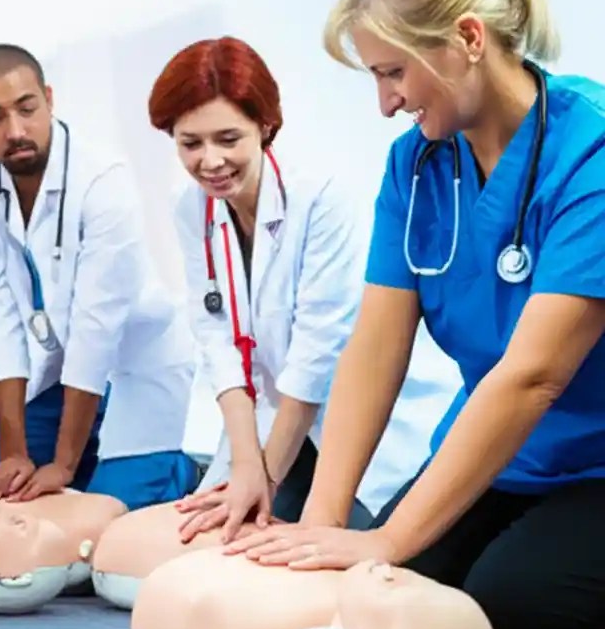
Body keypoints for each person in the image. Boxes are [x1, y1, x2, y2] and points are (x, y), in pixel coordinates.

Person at [226, 0, 605, 629]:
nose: (386, 103)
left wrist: (390, 538)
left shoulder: (592, 155)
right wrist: (324, 524)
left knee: (503, 617)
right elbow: (375, 348)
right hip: (497, 457)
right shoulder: (417, 167)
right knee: (369, 600)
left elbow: (532, 378)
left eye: (391, 72)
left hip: (596, 466)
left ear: (466, 38)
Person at [151, 36, 460, 542]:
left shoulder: (320, 198)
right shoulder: (192, 208)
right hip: (275, 423)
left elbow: (317, 353)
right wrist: (248, 464)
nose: (210, 161)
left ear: (265, 126)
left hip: (357, 422)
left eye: (228, 139)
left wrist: (265, 477)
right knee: (207, 540)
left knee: (315, 553)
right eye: (191, 143)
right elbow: (217, 341)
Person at [0, 44, 200, 510]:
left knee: (103, 513)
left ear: (49, 98)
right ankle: (86, 455)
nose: (15, 130)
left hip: (136, 362)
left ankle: (177, 468)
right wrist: (13, 451)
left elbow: (96, 328)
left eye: (27, 109)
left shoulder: (103, 181)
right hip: (60, 374)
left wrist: (61, 466)